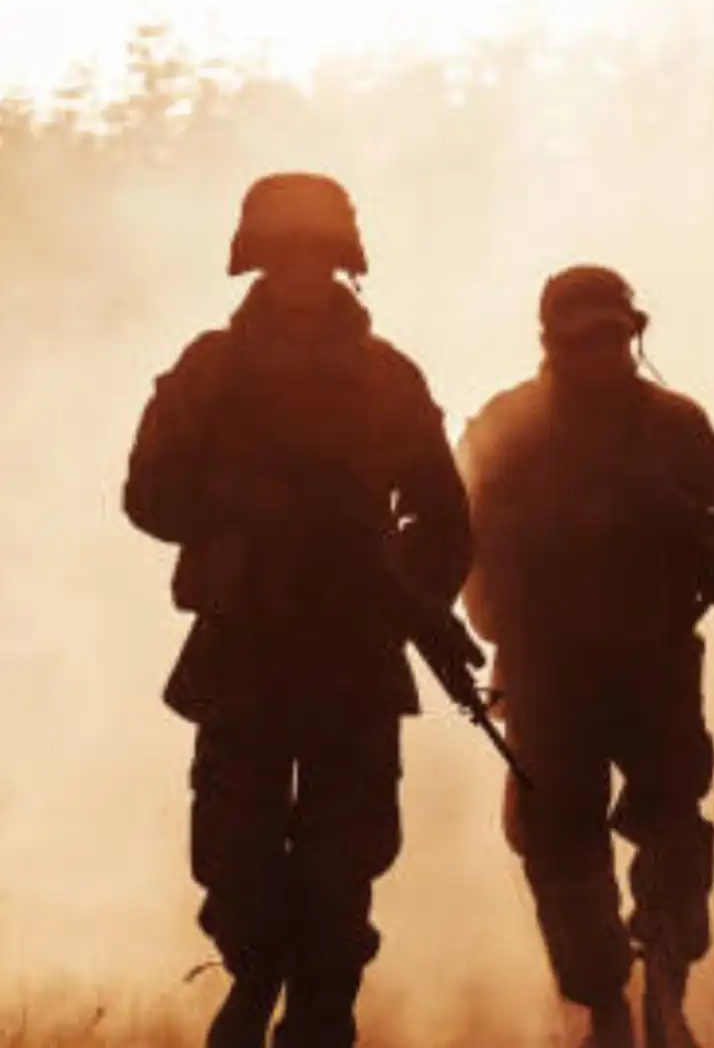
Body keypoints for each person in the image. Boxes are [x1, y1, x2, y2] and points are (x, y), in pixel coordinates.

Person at [123, 173, 472, 1048]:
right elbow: (148, 496)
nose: (303, 270)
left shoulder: (387, 379)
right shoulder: (212, 370)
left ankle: (318, 1019)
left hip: (353, 657)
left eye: (318, 253)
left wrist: (405, 593)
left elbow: (443, 517)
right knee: (235, 864)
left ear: (343, 259)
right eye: (286, 253)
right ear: (256, 260)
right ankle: (257, 976)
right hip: (244, 650)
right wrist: (245, 508)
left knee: (340, 872)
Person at [456, 265, 714, 1048]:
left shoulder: (675, 427)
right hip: (549, 673)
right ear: (553, 343)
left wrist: (688, 557)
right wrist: (510, 621)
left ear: (632, 335)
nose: (601, 353)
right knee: (561, 847)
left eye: (613, 337)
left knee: (674, 829)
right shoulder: (508, 428)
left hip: (654, 667)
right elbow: (466, 543)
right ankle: (606, 1008)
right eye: (584, 339)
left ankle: (665, 987)